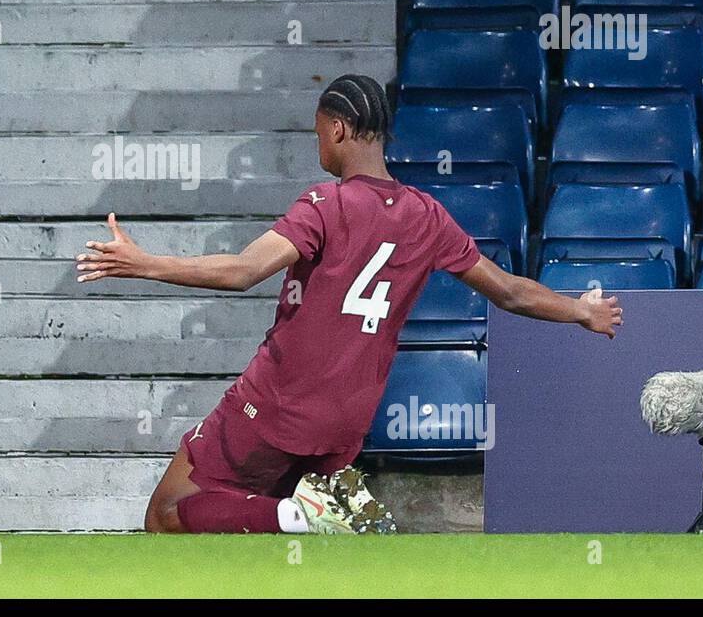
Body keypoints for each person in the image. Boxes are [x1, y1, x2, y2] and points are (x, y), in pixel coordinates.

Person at [75, 75, 623, 534]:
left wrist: (142, 263)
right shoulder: (428, 215)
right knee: (252, 528)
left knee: (166, 513)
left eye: (319, 134)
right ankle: (322, 506)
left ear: (337, 128)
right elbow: (509, 290)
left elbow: (244, 271)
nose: (319, 146)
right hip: (347, 421)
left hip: (277, 404)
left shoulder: (324, 203)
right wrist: (581, 311)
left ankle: (303, 514)